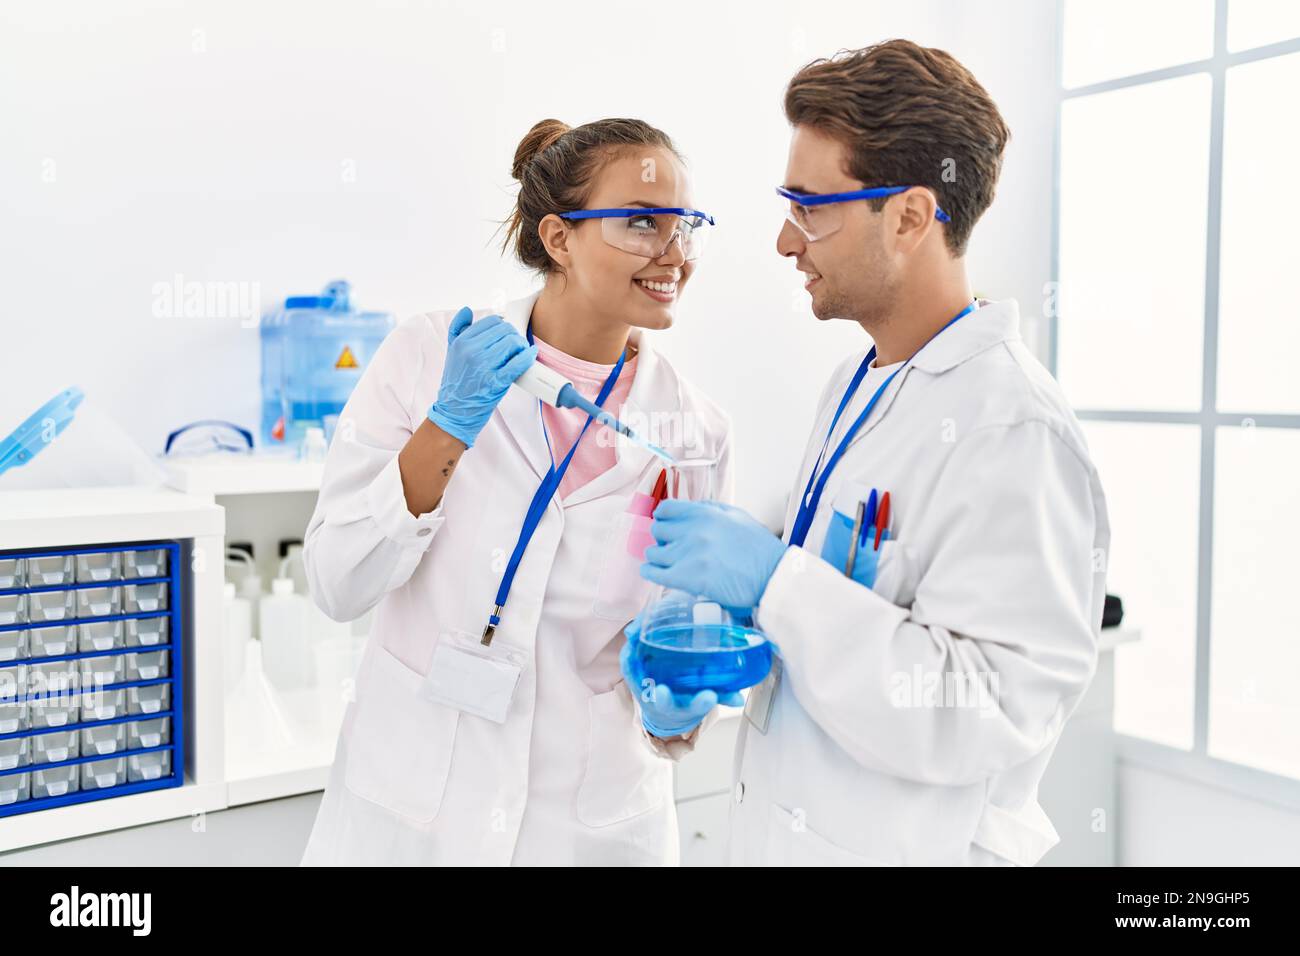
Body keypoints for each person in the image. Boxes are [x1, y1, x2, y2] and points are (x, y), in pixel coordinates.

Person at [639, 40, 1110, 866]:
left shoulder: (1013, 431)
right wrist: (728, 638)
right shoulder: (865, 382)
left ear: (911, 216)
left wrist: (773, 582)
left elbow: (984, 707)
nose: (787, 242)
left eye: (810, 207)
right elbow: (841, 604)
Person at [299, 117, 733, 866]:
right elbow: (338, 581)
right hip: (412, 816)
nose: (675, 254)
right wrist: (448, 424)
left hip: (588, 829)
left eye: (686, 226)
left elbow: (673, 639)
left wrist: (677, 709)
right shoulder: (429, 355)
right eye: (641, 224)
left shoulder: (692, 431)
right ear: (559, 239)